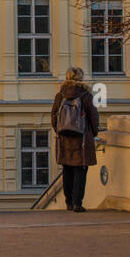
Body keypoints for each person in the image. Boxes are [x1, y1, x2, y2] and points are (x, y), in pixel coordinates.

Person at [51, 65, 100, 213]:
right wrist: (92, 133)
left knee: (67, 169)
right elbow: (94, 117)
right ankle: (77, 203)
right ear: (81, 78)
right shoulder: (86, 96)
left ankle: (69, 202)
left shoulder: (60, 95)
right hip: (82, 138)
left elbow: (54, 115)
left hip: (64, 138)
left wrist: (60, 130)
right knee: (80, 170)